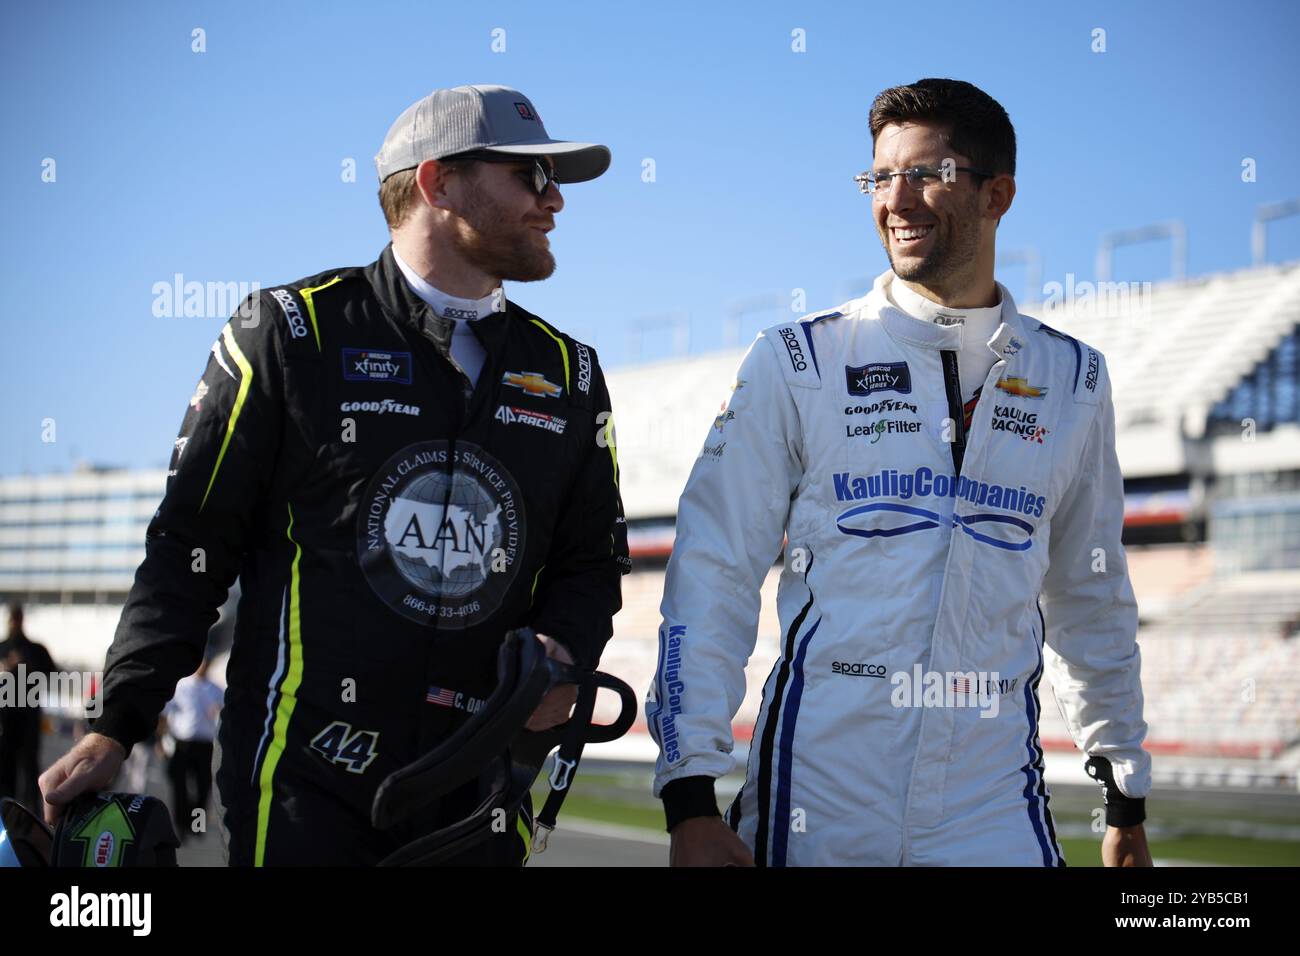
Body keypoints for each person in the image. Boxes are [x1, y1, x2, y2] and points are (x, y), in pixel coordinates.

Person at [39, 84, 630, 865]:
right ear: (437, 182)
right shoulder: (287, 334)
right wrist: (119, 722)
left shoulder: (571, 373)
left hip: (479, 792)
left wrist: (562, 651)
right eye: (530, 175)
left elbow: (593, 560)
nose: (554, 199)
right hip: (304, 789)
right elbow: (190, 546)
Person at [649, 78, 1151, 867]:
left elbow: (1091, 593)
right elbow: (712, 572)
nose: (897, 199)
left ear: (998, 195)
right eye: (880, 177)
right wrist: (690, 794)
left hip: (992, 809)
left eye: (928, 173)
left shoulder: (1075, 379)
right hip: (817, 805)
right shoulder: (797, 361)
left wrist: (1124, 790)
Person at [0, 604, 58, 813]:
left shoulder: (34, 650)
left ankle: (31, 812)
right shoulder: (3, 648)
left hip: (28, 716)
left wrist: (28, 665)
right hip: (5, 716)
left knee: (29, 764)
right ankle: (5, 811)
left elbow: (53, 672)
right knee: (6, 767)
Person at [161, 658, 224, 841]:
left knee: (203, 786)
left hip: (204, 744)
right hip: (182, 742)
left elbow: (223, 713)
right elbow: (166, 714)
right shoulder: (181, 686)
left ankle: (197, 825)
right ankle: (181, 824)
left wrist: (217, 711)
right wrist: (161, 740)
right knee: (179, 785)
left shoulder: (215, 689)